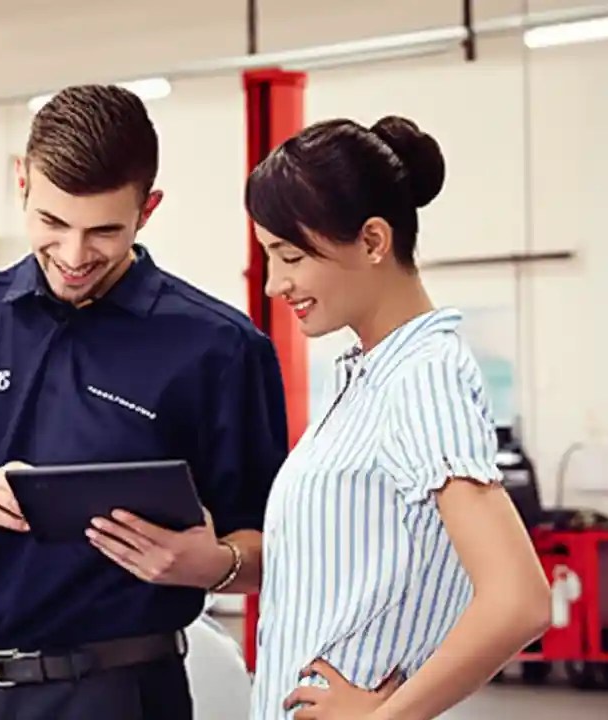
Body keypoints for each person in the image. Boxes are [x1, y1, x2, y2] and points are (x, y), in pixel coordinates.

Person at [0, 84, 289, 720]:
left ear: (147, 210)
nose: (73, 257)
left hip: (122, 693)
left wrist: (213, 564)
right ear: (22, 182)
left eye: (103, 231)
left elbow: (276, 551)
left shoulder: (220, 348)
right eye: (52, 223)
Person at [243, 115, 553, 720]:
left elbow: (519, 599)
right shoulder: (367, 374)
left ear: (373, 242)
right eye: (269, 257)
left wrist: (383, 719)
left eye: (290, 255)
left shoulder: (422, 374)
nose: (276, 283)